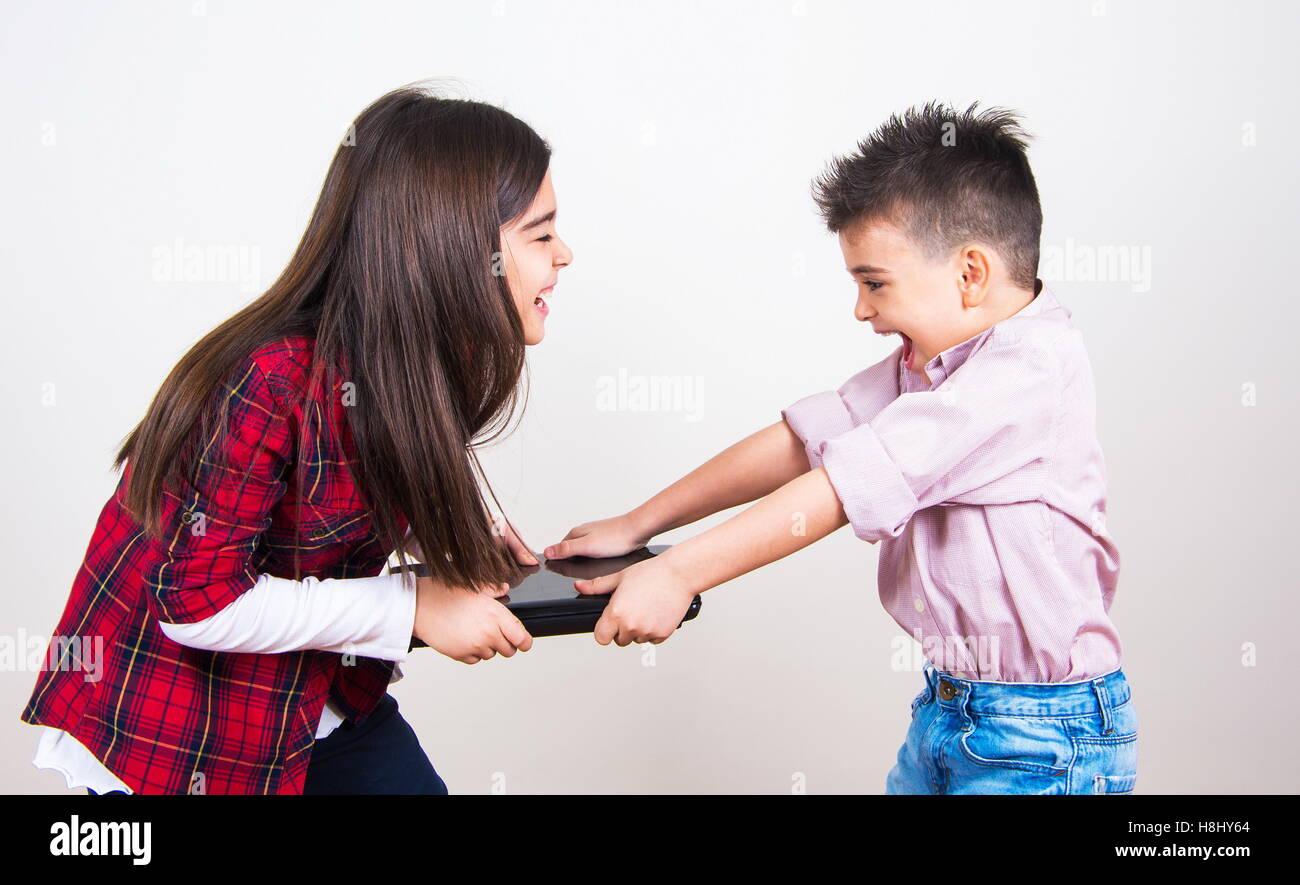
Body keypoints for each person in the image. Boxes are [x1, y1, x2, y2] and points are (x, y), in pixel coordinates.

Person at [544, 102, 1137, 795]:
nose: (861, 309)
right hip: (952, 708)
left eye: (874, 281)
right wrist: (642, 525)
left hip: (1046, 735)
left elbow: (839, 486)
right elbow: (804, 442)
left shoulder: (1026, 371)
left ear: (970, 274)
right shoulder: (935, 363)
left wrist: (680, 573)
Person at [21, 82, 573, 794]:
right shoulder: (271, 380)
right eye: (541, 232)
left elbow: (339, 498)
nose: (565, 254)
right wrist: (413, 608)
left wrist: (459, 539)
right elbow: (196, 602)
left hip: (311, 707)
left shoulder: (415, 362)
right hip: (175, 729)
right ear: (454, 247)